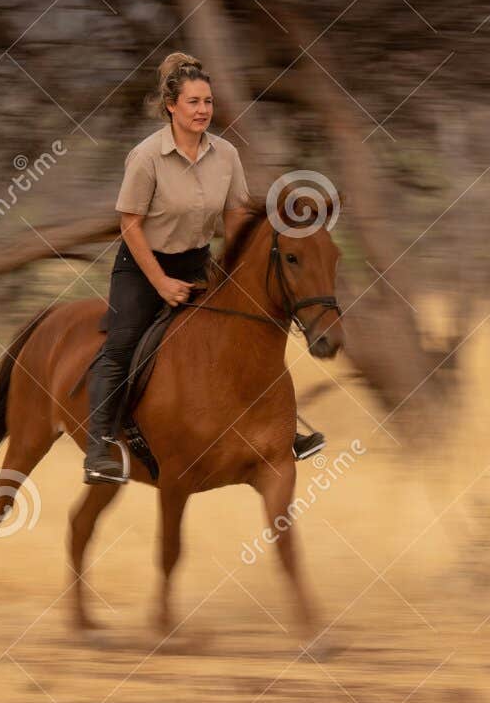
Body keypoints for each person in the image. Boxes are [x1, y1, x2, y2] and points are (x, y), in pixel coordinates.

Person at [82, 52, 325, 484]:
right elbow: (130, 225)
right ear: (171, 106)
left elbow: (234, 217)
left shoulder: (226, 154)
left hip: (197, 260)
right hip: (142, 266)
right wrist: (159, 282)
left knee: (247, 335)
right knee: (122, 343)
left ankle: (285, 430)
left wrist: (240, 273)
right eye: (193, 102)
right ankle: (99, 445)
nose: (203, 111)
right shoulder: (146, 157)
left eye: (208, 102)